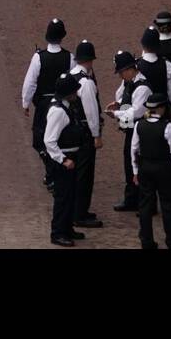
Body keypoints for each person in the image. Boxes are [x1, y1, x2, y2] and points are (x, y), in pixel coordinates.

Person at [21, 21, 73, 191]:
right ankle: (53, 173)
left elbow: (30, 82)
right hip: (63, 105)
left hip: (43, 105)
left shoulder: (39, 57)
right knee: (58, 139)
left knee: (40, 140)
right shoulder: (69, 57)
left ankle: (51, 172)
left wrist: (26, 102)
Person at [131, 94, 171, 250]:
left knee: (145, 206)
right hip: (165, 169)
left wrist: (135, 171)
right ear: (161, 108)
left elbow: (134, 149)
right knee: (168, 206)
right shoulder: (168, 127)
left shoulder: (139, 125)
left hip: (145, 168)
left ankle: (146, 241)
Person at [43, 74, 89, 247]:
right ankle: (58, 233)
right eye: (74, 91)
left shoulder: (66, 106)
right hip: (64, 160)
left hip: (71, 157)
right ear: (68, 93)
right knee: (63, 198)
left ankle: (67, 228)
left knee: (70, 196)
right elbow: (49, 140)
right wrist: (63, 160)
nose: (76, 93)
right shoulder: (58, 112)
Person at [106, 51, 150, 213]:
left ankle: (143, 202)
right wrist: (118, 104)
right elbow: (121, 94)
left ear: (129, 69)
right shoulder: (129, 82)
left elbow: (136, 112)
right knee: (129, 163)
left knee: (139, 164)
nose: (120, 77)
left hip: (141, 131)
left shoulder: (142, 87)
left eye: (121, 72)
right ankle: (131, 199)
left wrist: (116, 114)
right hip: (132, 130)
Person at [70, 41, 103, 231]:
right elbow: (91, 112)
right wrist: (96, 135)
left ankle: (79, 210)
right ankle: (80, 214)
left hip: (73, 132)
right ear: (90, 61)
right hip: (85, 134)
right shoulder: (86, 83)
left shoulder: (70, 76)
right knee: (85, 175)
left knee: (77, 174)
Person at [137, 27, 171, 116]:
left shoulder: (136, 66)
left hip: (141, 113)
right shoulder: (167, 64)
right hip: (161, 112)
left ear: (143, 45)